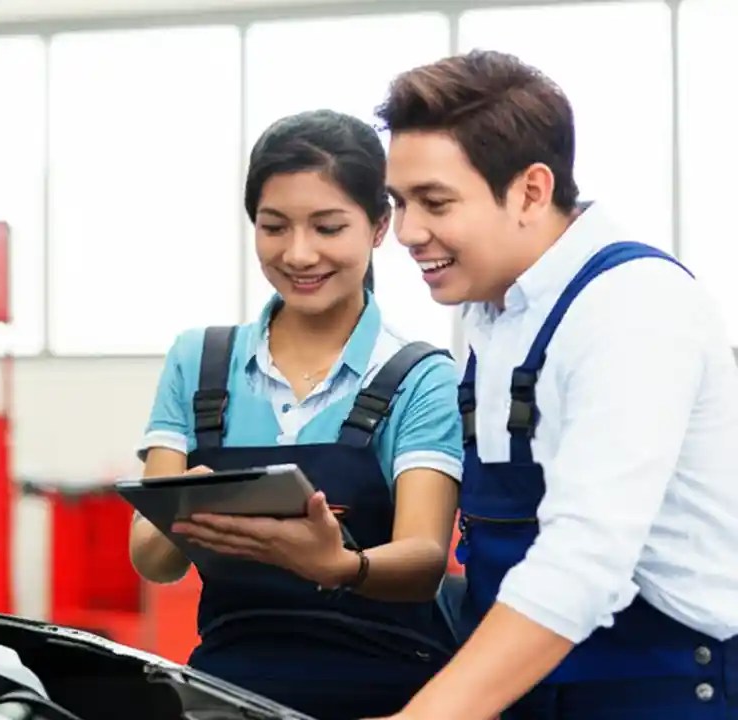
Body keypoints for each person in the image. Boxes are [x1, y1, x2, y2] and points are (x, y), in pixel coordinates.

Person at [373, 50, 738, 720]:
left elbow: (585, 557)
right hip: (532, 689)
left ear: (531, 191)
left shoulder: (630, 307)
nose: (406, 233)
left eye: (434, 203)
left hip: (662, 689)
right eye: (397, 203)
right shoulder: (496, 308)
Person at [127, 109, 465, 720]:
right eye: (273, 226)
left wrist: (341, 566)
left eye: (328, 227)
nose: (299, 254)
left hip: (385, 690)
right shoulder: (197, 362)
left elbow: (424, 559)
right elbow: (153, 562)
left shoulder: (419, 376)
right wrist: (178, 516)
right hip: (230, 689)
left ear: (380, 225)